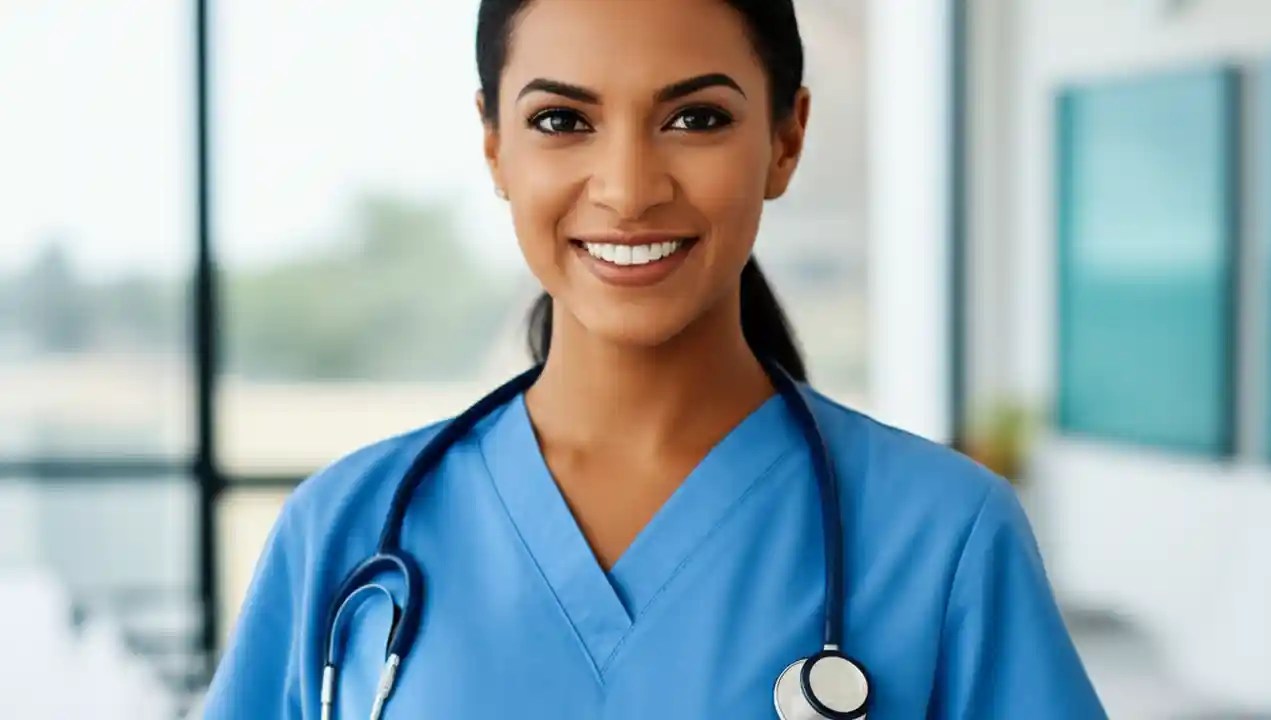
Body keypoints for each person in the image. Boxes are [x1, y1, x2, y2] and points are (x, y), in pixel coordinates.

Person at [203, 0, 1107, 717]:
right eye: (561, 120)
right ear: (494, 145)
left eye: (696, 117)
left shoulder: (943, 537)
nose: (629, 189)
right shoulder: (345, 531)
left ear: (786, 139)